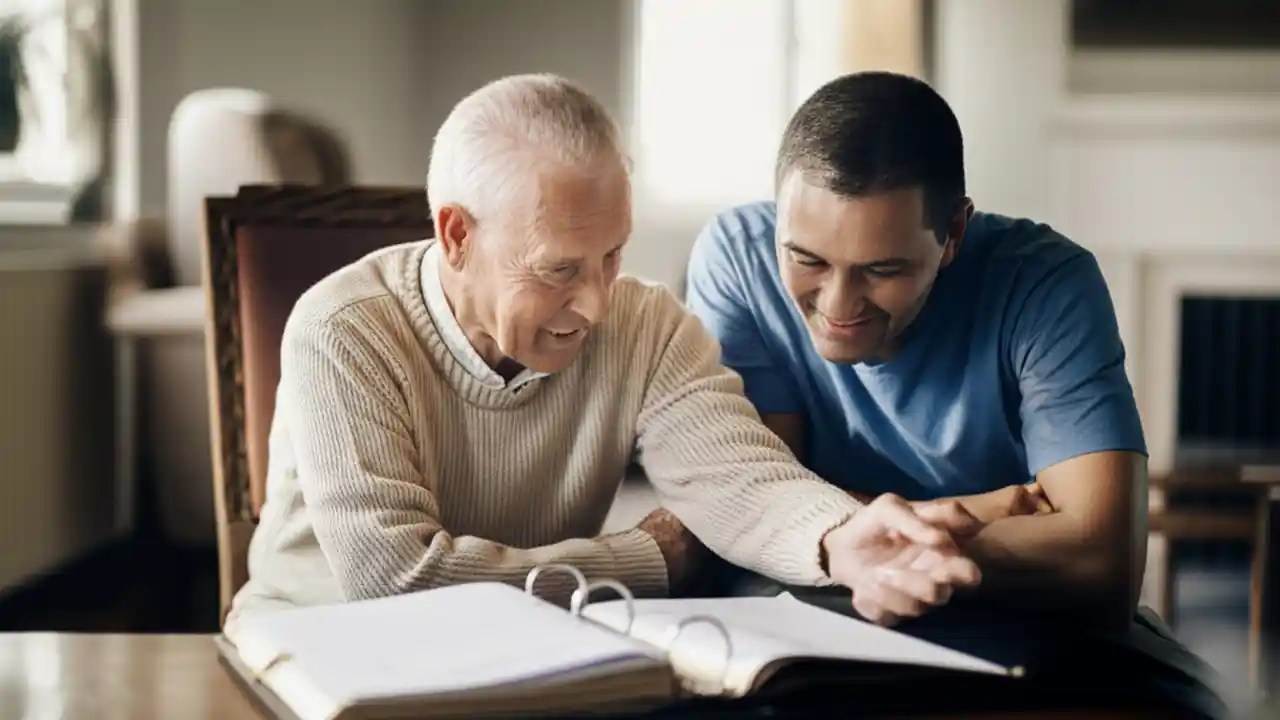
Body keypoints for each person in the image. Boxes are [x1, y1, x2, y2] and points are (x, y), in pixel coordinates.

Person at [223, 74, 984, 636]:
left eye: (612, 256)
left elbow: (738, 475)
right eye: (559, 269)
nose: (595, 304)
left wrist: (837, 539)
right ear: (456, 235)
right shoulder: (344, 329)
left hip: (528, 650)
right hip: (318, 657)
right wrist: (645, 559)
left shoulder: (644, 323)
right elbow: (395, 582)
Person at [686, 72, 1148, 630]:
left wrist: (858, 542)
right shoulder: (737, 259)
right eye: (807, 259)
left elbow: (1103, 561)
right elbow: (757, 501)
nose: (838, 304)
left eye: (881, 270)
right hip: (810, 621)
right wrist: (972, 514)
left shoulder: (1045, 283)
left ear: (953, 232)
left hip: (1008, 628)